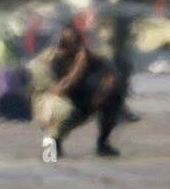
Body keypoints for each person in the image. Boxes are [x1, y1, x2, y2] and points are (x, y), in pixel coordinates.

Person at [28, 24, 128, 157]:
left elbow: (113, 77)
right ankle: (53, 144)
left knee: (113, 97)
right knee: (60, 109)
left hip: (82, 102)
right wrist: (78, 69)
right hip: (52, 105)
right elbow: (58, 91)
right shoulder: (46, 62)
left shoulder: (91, 58)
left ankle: (103, 143)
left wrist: (104, 91)